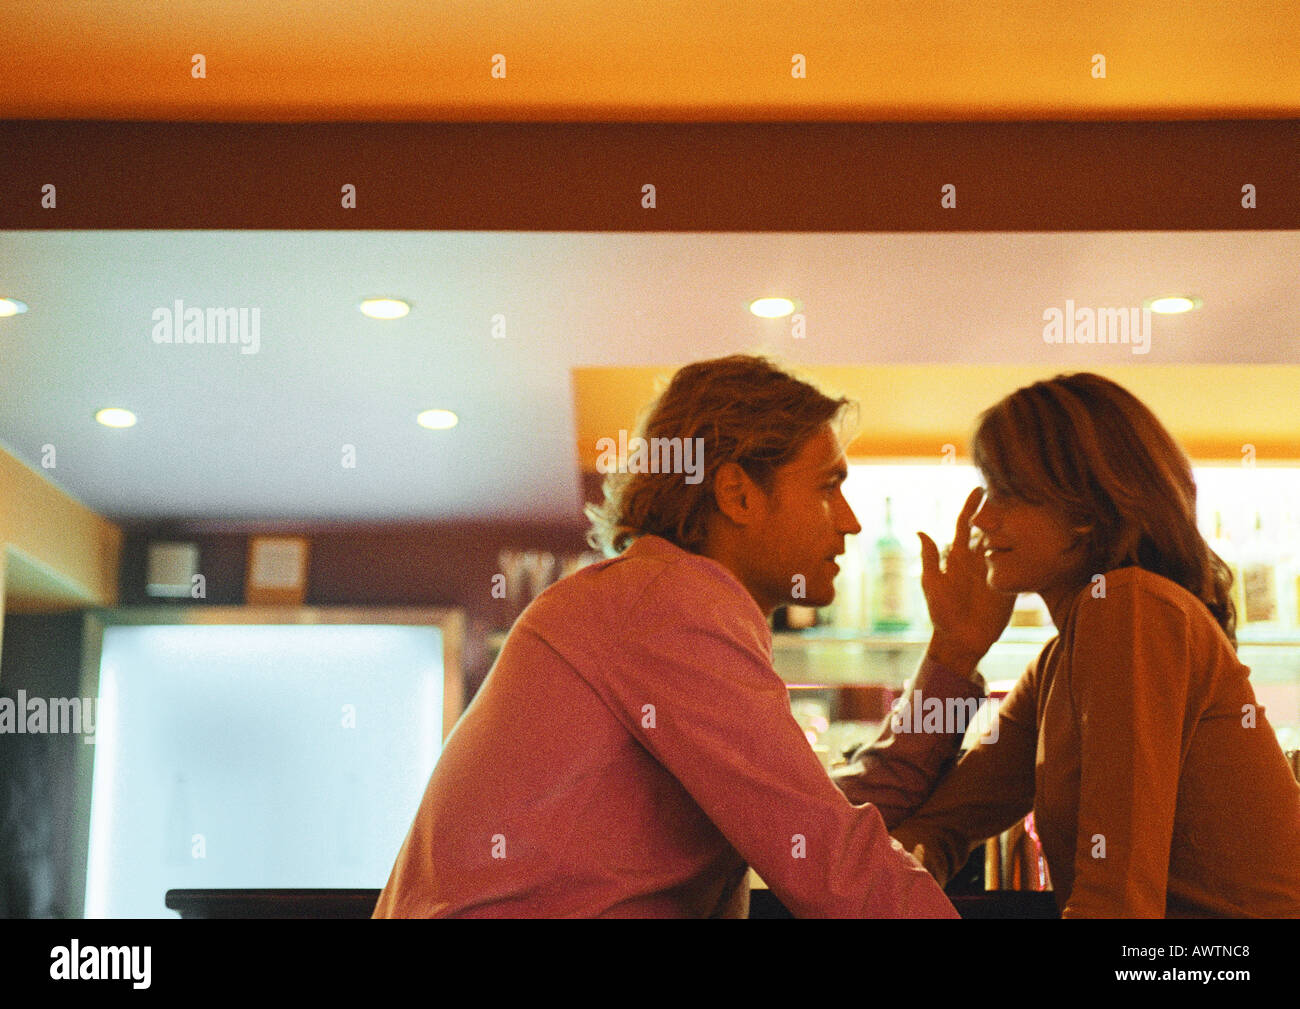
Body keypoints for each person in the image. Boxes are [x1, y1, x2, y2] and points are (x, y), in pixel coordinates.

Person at [373, 354, 988, 918]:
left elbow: (817, 817)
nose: (850, 520)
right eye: (829, 485)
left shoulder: (662, 600)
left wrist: (953, 655)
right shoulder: (669, 603)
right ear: (737, 493)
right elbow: (830, 857)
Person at [835, 372, 1300, 918]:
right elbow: (937, 824)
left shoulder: (1129, 607)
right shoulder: (1064, 657)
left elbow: (1119, 897)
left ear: (1085, 510)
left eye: (1006, 493)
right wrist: (954, 648)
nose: (983, 519)